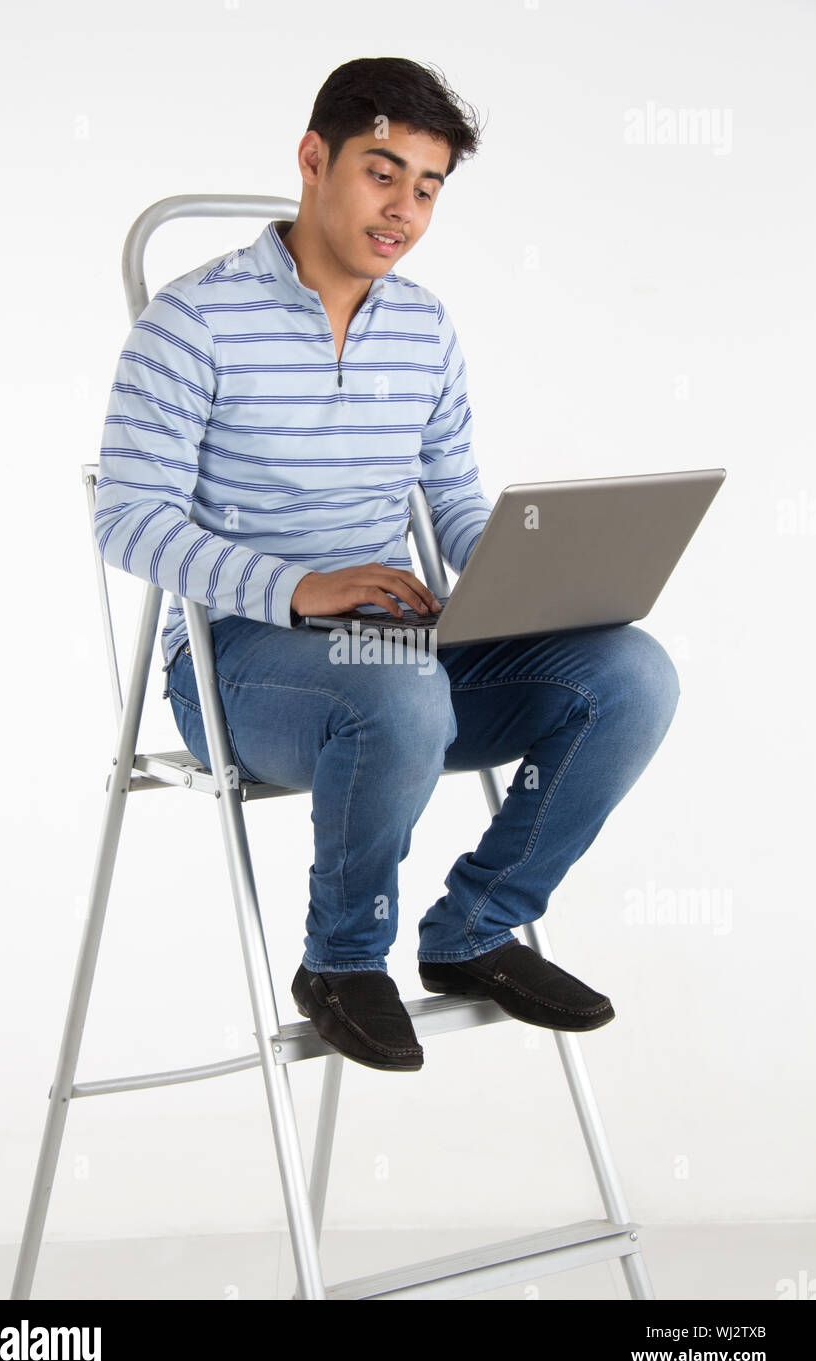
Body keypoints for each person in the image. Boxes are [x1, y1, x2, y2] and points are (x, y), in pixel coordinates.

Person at [95, 56, 680, 1074]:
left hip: (397, 645)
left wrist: (514, 568)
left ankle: (474, 929)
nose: (401, 210)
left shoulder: (422, 325)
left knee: (630, 674)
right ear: (313, 158)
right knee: (398, 684)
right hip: (239, 661)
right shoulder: (190, 321)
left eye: (426, 186)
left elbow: (450, 497)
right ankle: (340, 960)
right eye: (380, 172)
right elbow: (127, 520)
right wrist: (296, 585)